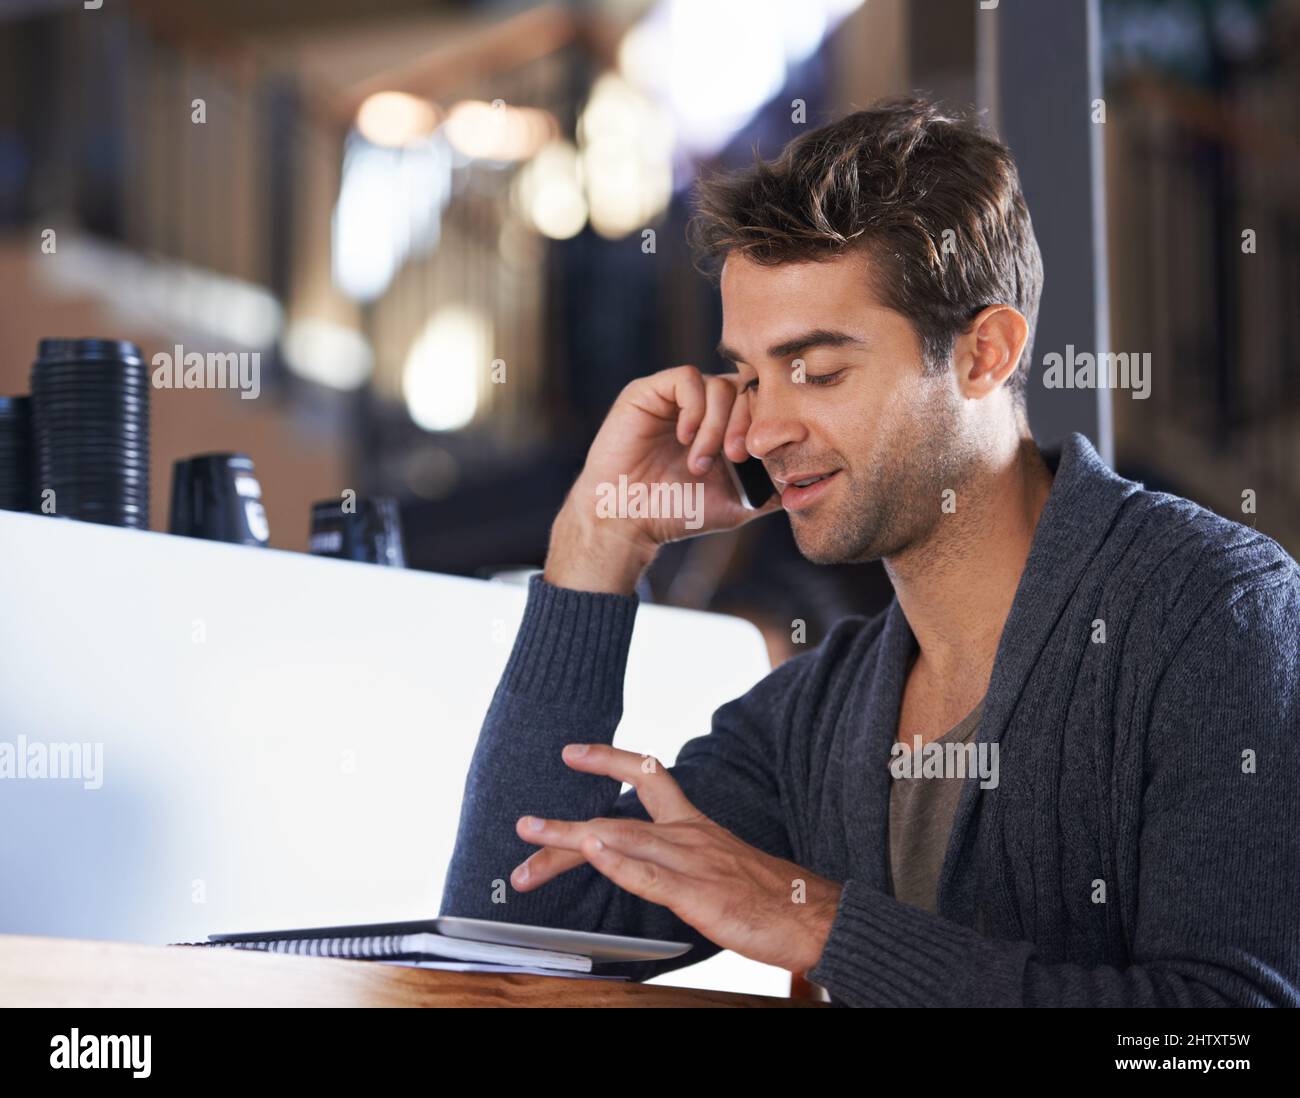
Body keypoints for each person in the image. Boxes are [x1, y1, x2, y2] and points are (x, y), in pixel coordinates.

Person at [439, 97, 1300, 1006]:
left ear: (984, 355)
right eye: (753, 374)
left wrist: (819, 925)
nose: (762, 429)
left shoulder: (1214, 615)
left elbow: (1224, 1038)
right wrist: (599, 540)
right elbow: (509, 936)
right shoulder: (814, 718)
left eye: (819, 371)